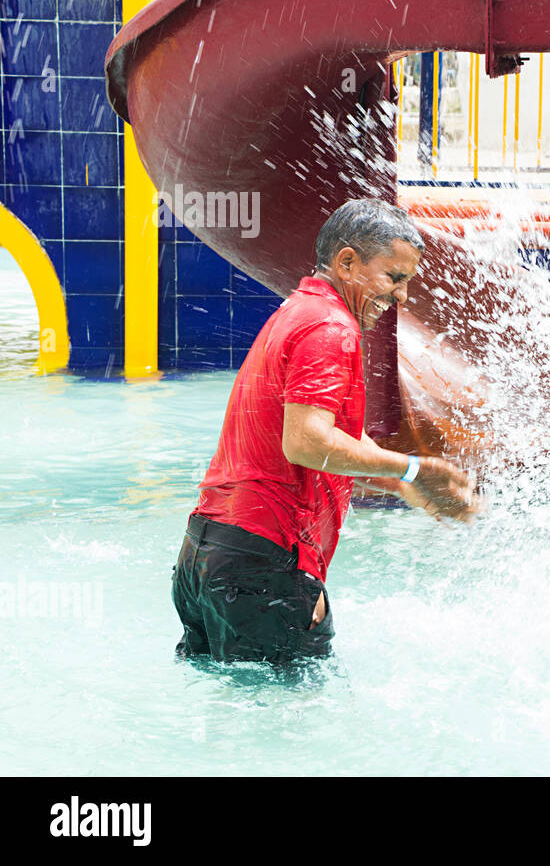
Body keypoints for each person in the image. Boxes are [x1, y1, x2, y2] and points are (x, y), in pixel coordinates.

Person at [171, 199, 479, 665]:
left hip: (205, 554)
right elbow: (307, 441)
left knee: (231, 716)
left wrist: (401, 482)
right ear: (348, 261)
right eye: (394, 278)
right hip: (262, 565)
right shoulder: (332, 327)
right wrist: (414, 468)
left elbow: (336, 436)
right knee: (287, 723)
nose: (402, 297)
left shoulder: (296, 312)